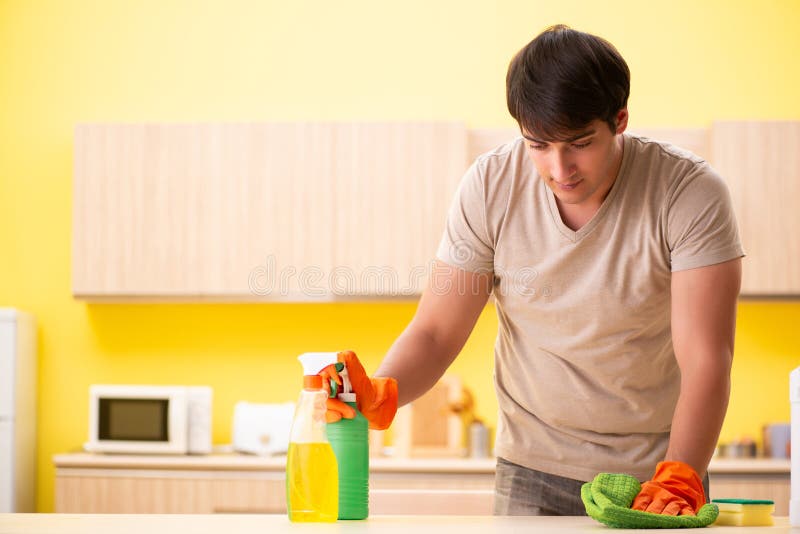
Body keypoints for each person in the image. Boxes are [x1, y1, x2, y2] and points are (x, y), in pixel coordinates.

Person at [323, 24, 743, 517]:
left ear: (620, 120)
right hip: (531, 471)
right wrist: (381, 391)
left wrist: (683, 473)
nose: (558, 168)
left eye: (580, 143)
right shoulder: (490, 185)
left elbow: (706, 358)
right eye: (538, 144)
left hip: (657, 476)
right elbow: (436, 332)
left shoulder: (688, 193)